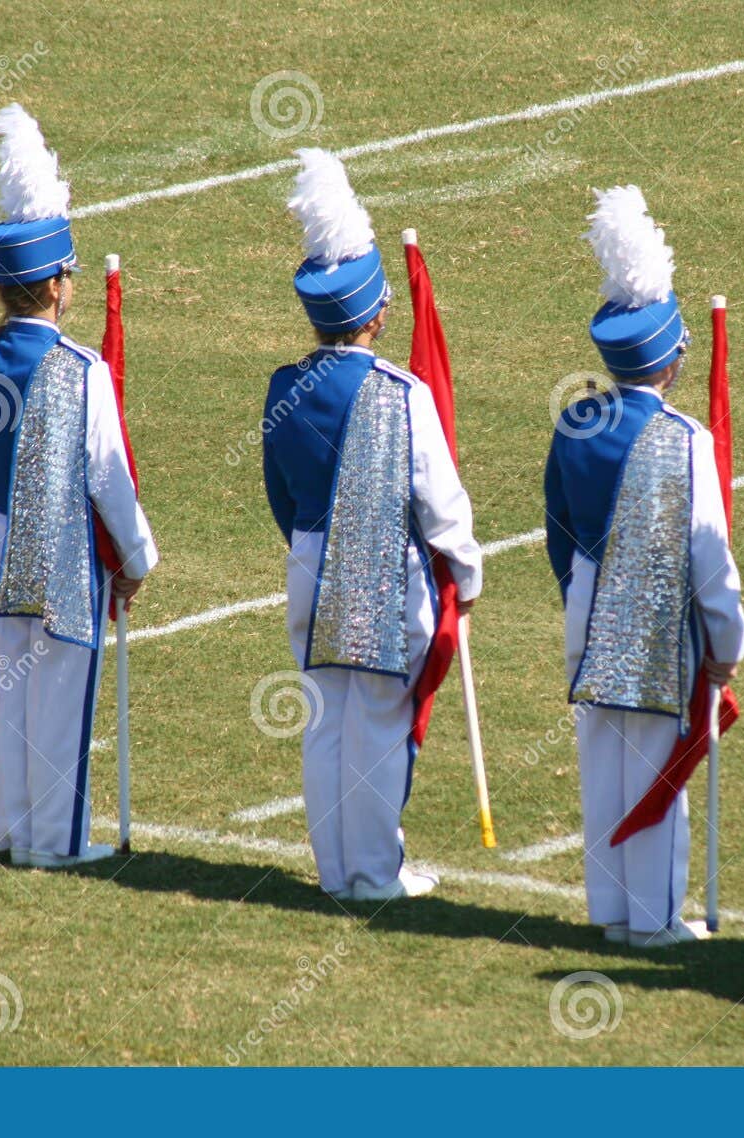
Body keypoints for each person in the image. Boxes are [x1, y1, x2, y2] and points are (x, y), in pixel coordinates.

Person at [262, 149, 482, 902]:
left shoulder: (284, 388)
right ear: (375, 314)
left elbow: (280, 496)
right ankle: (376, 873)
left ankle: (336, 870)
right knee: (381, 723)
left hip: (312, 570)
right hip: (385, 580)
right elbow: (441, 504)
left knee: (327, 720)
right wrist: (468, 573)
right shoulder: (402, 392)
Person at [544, 186, 744, 948]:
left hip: (590, 607)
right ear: (669, 356)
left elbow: (558, 529)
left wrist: (584, 597)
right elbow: (707, 553)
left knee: (603, 761)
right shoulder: (686, 438)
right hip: (662, 620)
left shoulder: (577, 421)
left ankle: (610, 909)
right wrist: (728, 639)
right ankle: (654, 919)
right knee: (660, 768)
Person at [0, 104, 156, 869]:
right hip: (68, 558)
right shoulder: (80, 369)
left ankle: (13, 831)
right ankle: (58, 843)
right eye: (66, 272)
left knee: (13, 698)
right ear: (52, 284)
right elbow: (107, 475)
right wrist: (137, 557)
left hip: (1, 543)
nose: (73, 281)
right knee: (63, 697)